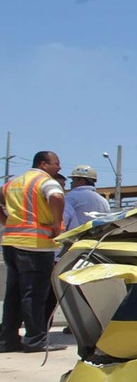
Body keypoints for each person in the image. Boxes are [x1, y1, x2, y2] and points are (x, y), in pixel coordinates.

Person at [1, 151, 68, 352]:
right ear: (43, 164)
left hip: (11, 242)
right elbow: (56, 196)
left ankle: (7, 340)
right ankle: (35, 340)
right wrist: (56, 223)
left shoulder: (14, 182)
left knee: (14, 293)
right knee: (34, 295)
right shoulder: (45, 181)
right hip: (36, 245)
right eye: (56, 163)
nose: (59, 167)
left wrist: (6, 222)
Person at [63, 164, 111, 232]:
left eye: (74, 180)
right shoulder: (104, 201)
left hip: (76, 240)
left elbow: (64, 219)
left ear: (82, 181)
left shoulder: (71, 197)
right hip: (98, 240)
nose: (71, 183)